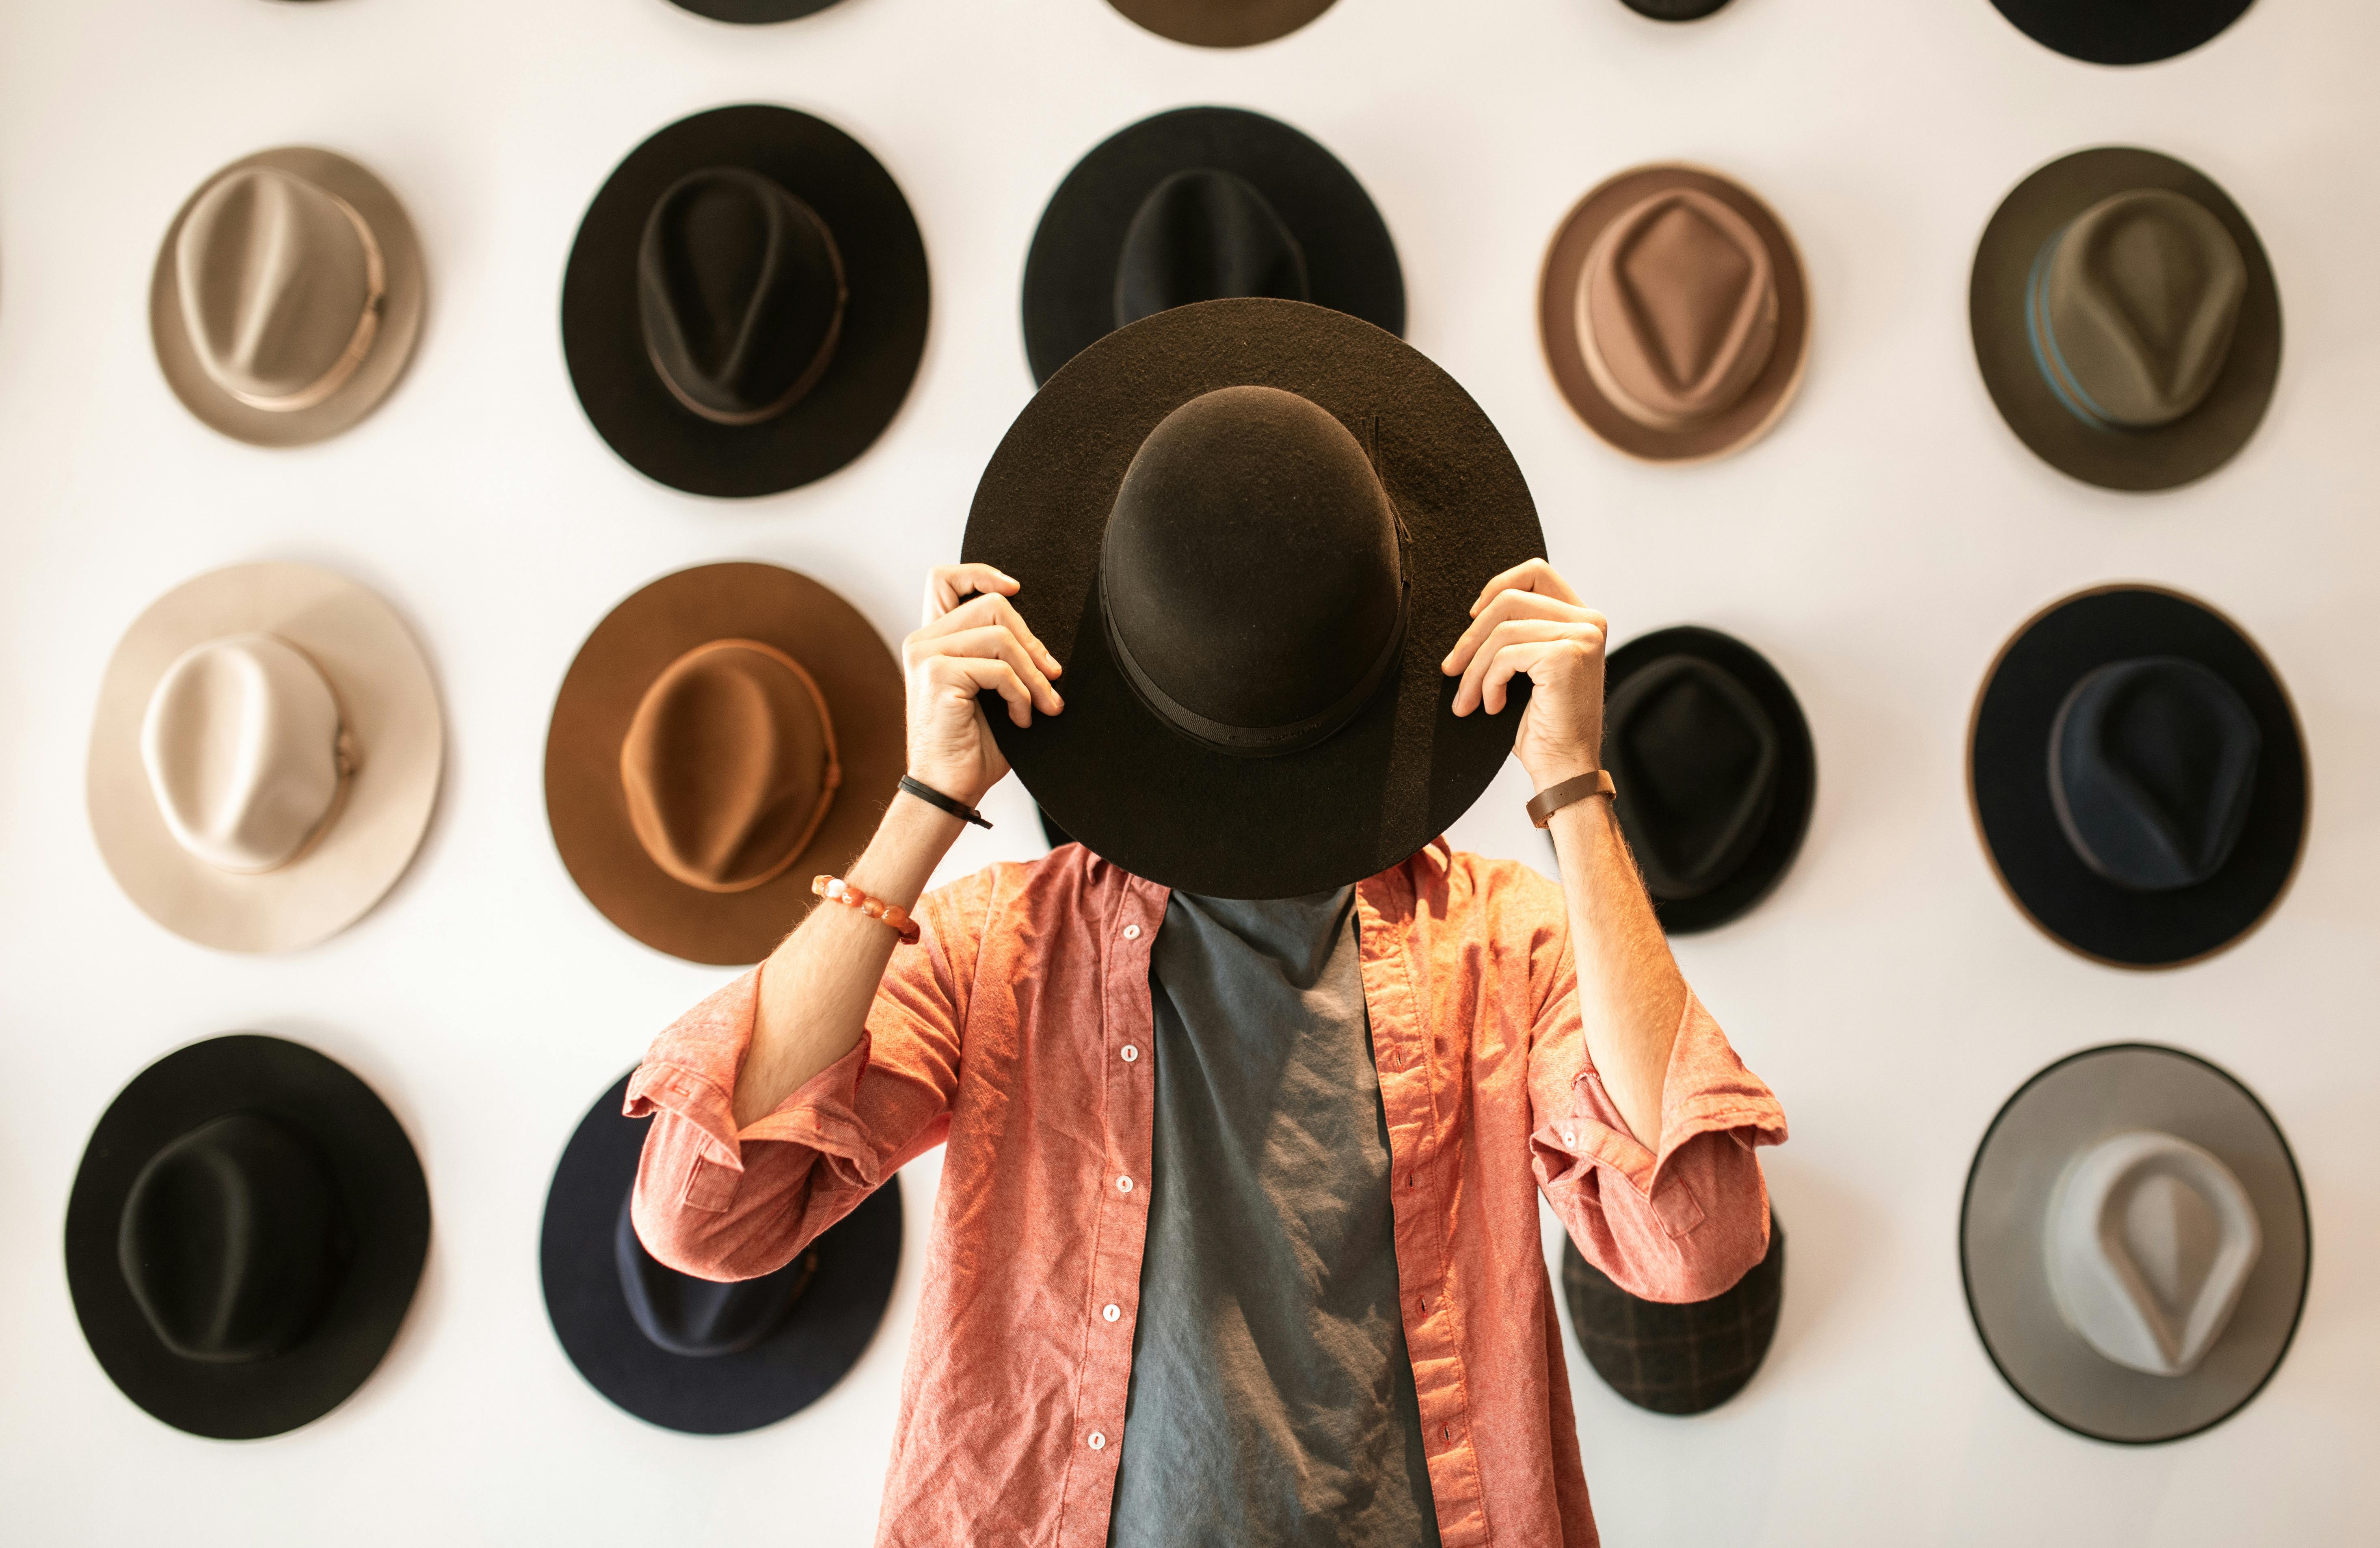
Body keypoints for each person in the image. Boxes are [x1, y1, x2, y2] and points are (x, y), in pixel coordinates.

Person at [625, 541, 1786, 1547]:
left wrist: (1574, 787)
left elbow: (1696, 1240)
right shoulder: (999, 945)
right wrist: (930, 797)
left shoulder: (1503, 936)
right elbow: (706, 1212)